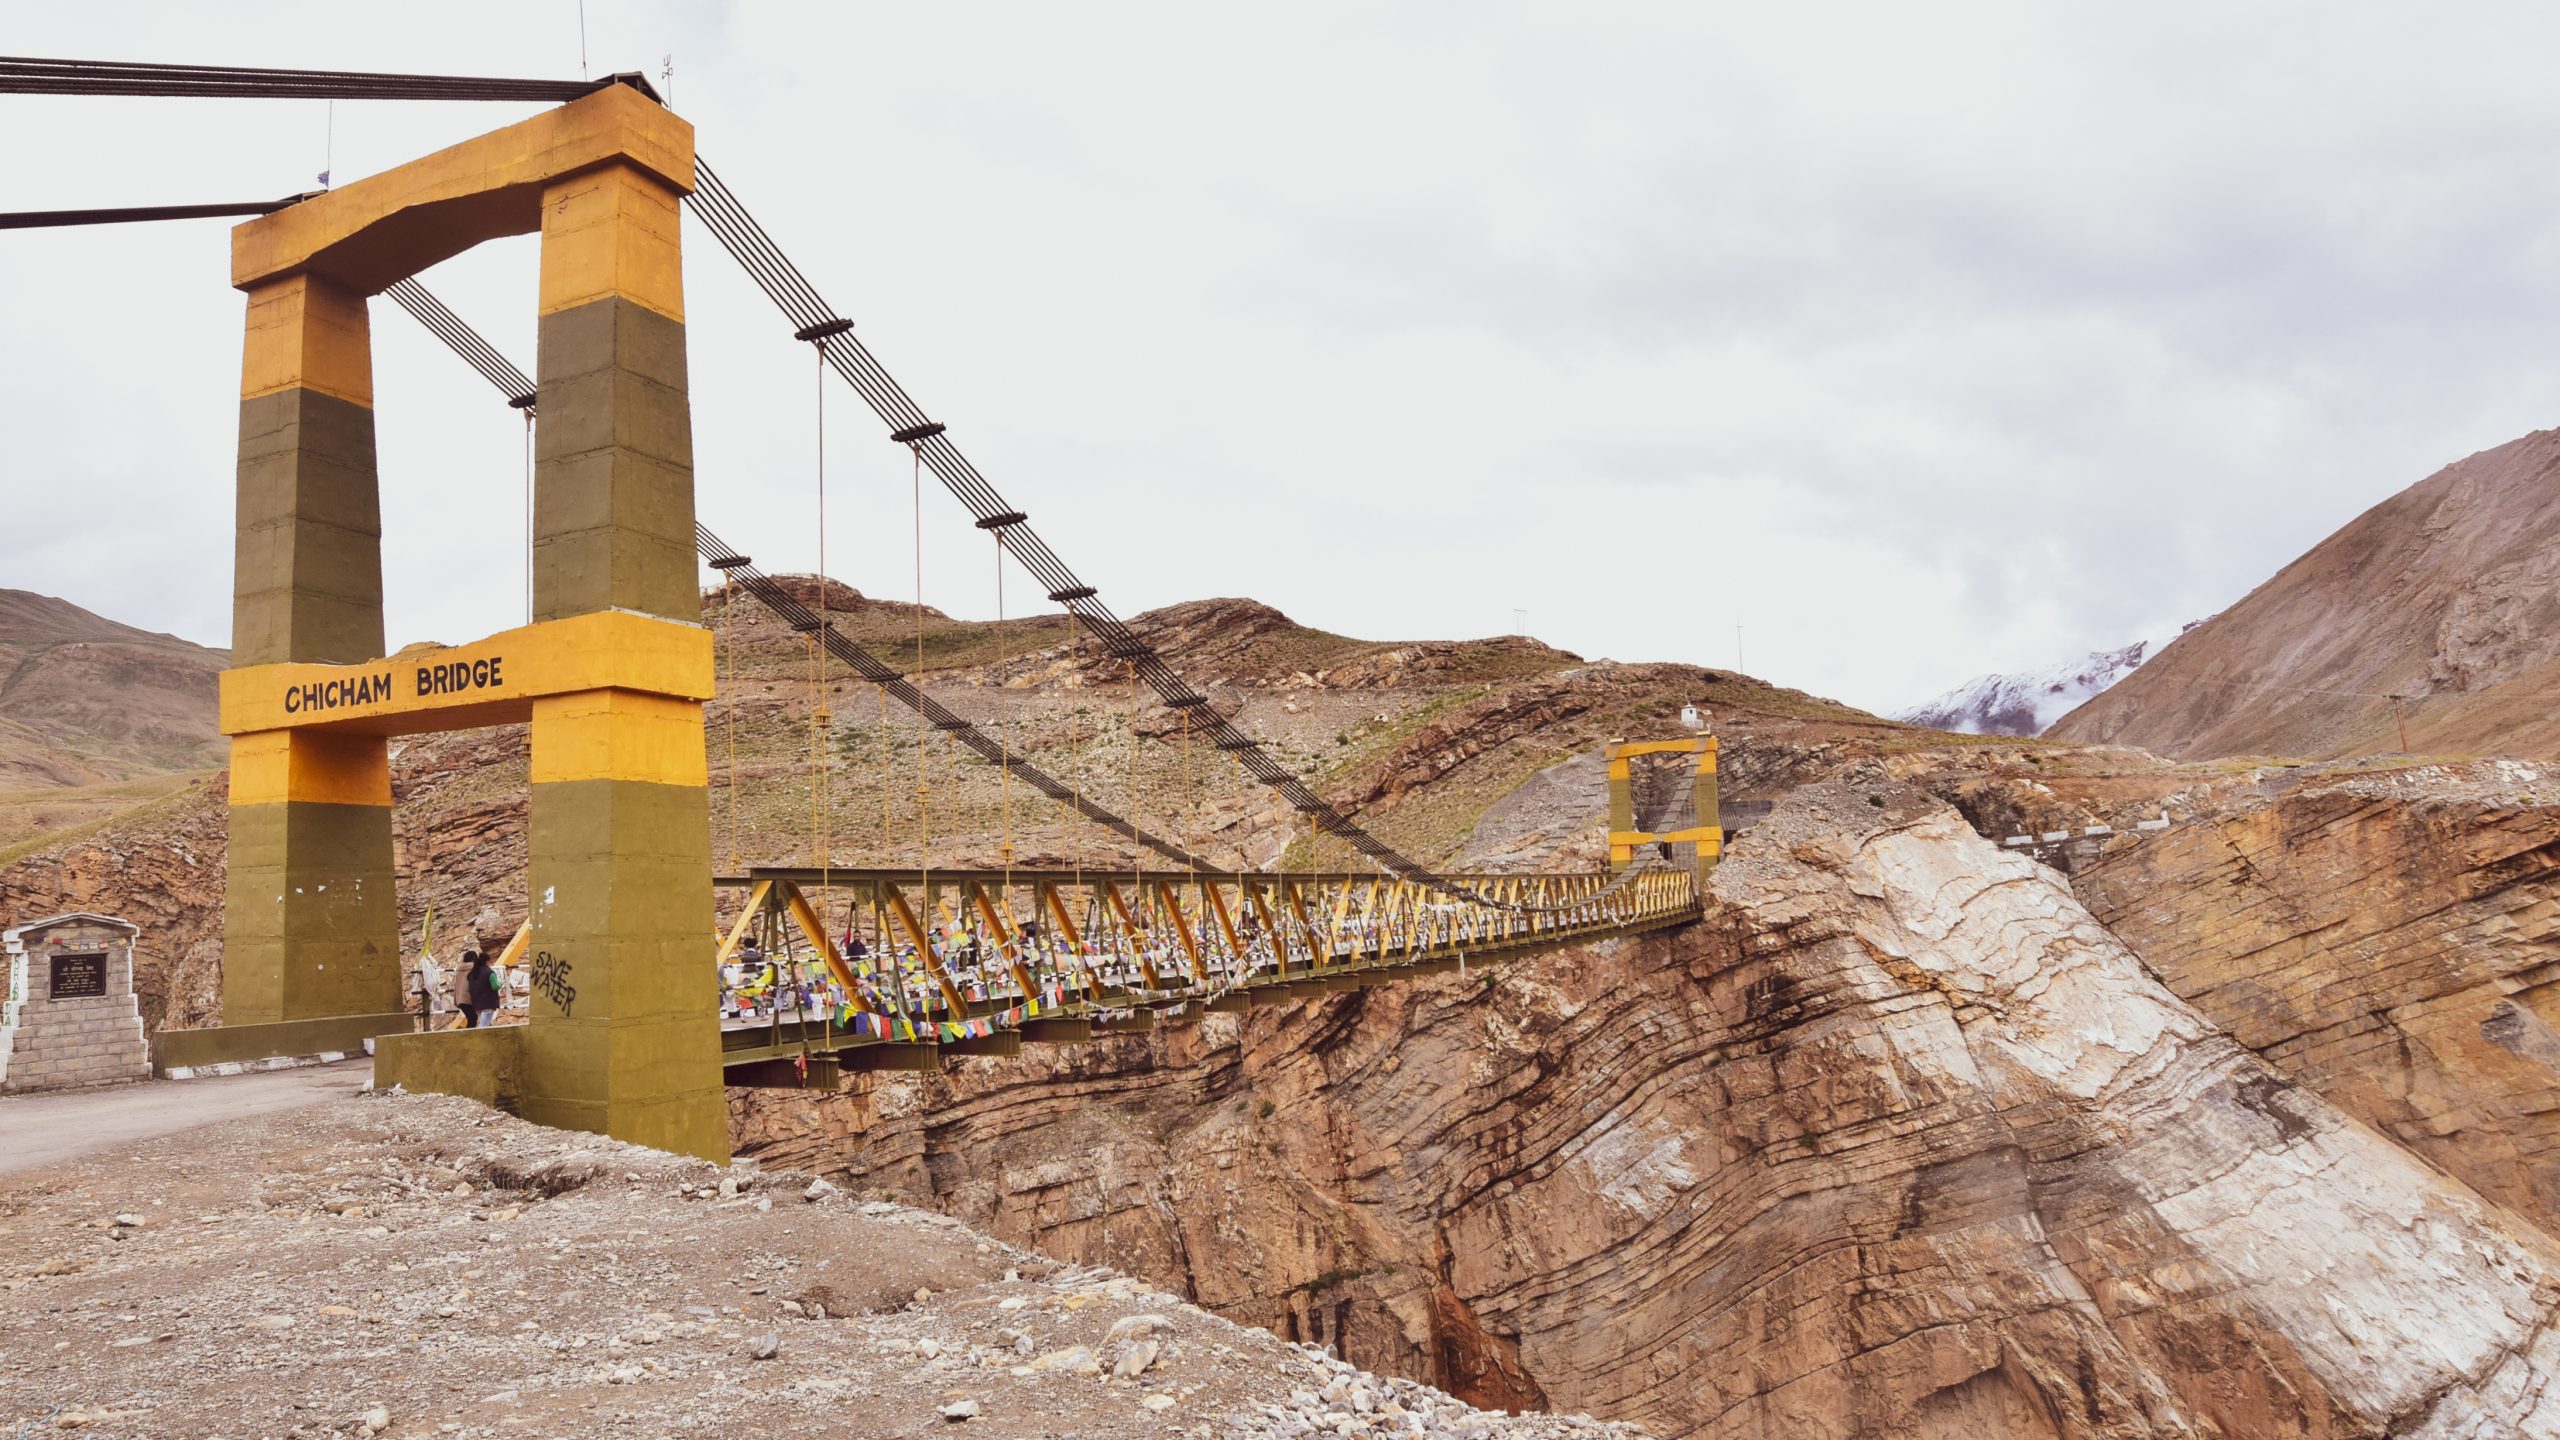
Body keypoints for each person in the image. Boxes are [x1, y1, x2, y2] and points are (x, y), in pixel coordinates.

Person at [463, 950, 501, 1028]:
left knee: (487, 1024)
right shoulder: (490, 973)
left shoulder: (472, 974)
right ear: (487, 961)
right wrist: (500, 984)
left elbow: (469, 989)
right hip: (489, 1003)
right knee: (483, 1026)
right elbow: (495, 987)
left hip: (477, 1004)